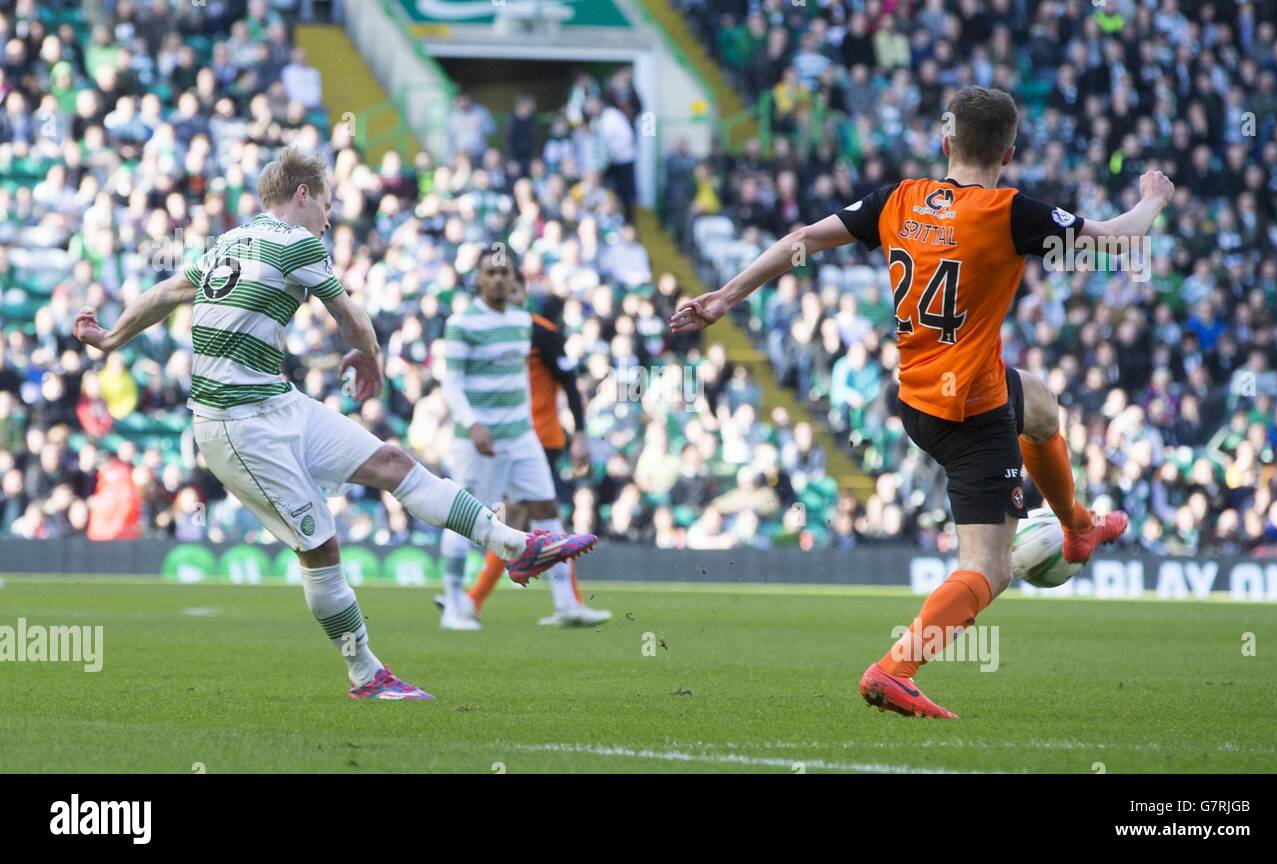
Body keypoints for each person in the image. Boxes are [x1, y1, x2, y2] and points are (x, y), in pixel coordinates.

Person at [671, 86, 1172, 718]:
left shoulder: (898, 200)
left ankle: (1076, 526)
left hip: (916, 399)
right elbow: (1118, 242)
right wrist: (1151, 198)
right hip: (972, 413)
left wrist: (723, 296)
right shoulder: (1011, 212)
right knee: (990, 570)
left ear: (945, 144)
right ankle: (894, 669)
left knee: (1041, 405)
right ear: (1009, 154)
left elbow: (802, 237)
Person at [73, 147, 597, 700]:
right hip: (234, 423)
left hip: (276, 401)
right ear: (302, 195)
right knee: (320, 549)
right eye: (325, 203)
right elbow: (350, 316)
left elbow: (166, 294)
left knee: (393, 462)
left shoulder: (227, 243)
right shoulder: (299, 242)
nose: (329, 216)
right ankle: (366, 674)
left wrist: (112, 337)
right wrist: (370, 359)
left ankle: (516, 548)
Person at [436, 245, 607, 629]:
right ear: (479, 279)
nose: (497, 279)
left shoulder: (523, 323)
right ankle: (453, 606)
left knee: (548, 513)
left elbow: (545, 381)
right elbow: (451, 382)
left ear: (515, 279)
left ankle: (567, 604)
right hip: (477, 442)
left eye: (504, 273)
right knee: (463, 519)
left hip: (523, 438)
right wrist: (472, 422)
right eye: (490, 273)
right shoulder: (462, 323)